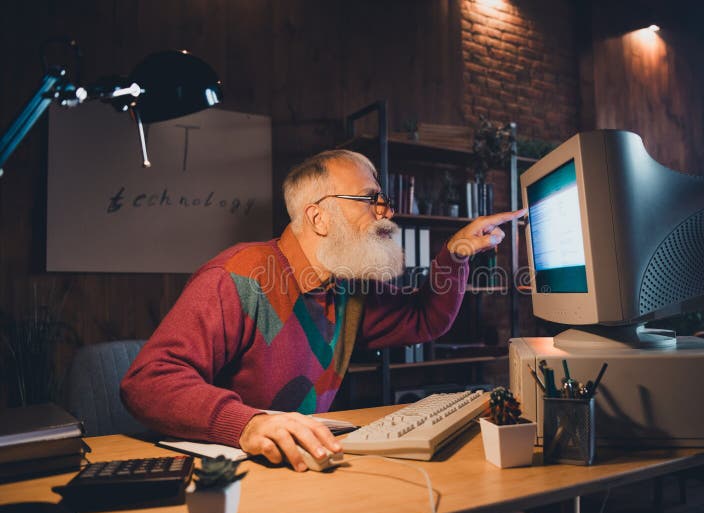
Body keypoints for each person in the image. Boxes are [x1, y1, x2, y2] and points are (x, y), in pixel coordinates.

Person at [120, 149, 525, 471]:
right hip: (225, 479)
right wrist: (248, 423)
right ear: (319, 217)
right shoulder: (238, 276)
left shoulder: (347, 286)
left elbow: (424, 318)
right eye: (370, 199)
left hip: (297, 470)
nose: (387, 212)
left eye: (382, 200)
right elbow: (146, 382)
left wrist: (455, 253)